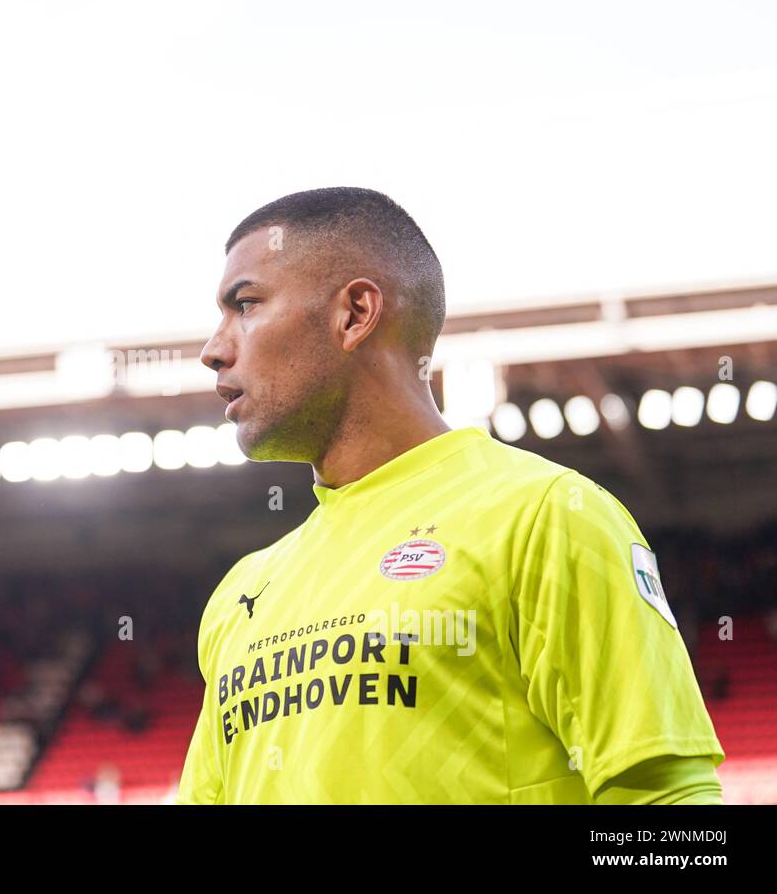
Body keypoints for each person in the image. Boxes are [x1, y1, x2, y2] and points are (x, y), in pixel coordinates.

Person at [177, 187, 724, 804]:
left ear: (355, 312)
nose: (213, 348)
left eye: (245, 304)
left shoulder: (544, 517)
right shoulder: (242, 594)